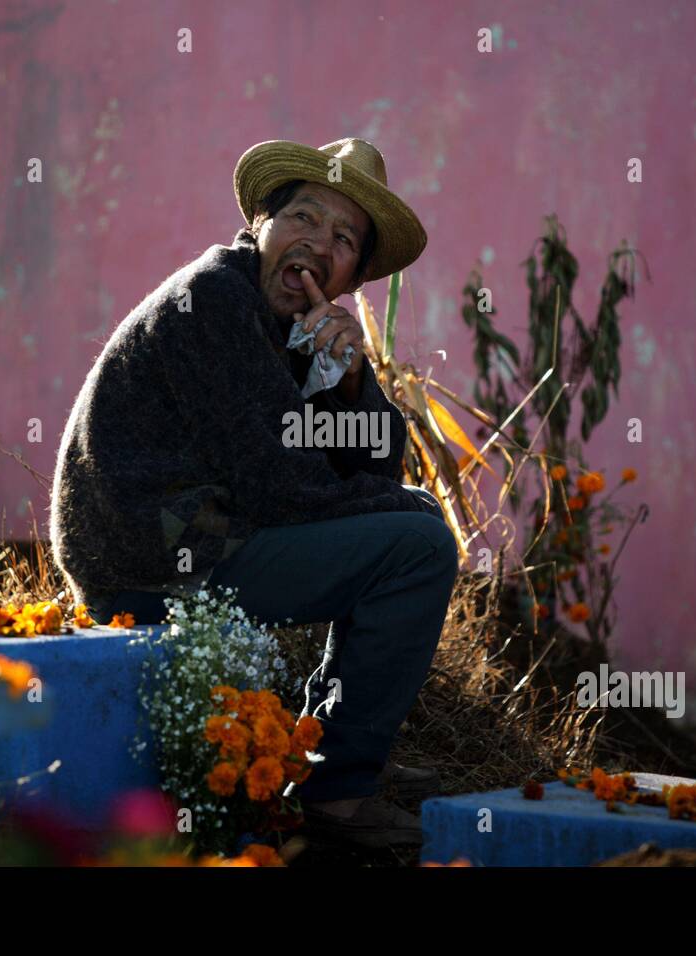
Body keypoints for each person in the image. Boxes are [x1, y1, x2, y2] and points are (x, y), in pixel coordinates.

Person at [49, 138, 457, 847]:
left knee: (407, 532)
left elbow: (360, 477)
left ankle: (324, 752)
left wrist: (355, 385)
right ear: (259, 226)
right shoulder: (213, 300)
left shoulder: (290, 330)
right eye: (302, 217)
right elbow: (283, 490)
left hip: (204, 542)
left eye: (342, 239)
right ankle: (337, 793)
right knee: (418, 546)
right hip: (153, 557)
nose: (316, 243)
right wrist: (408, 511)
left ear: (353, 276)